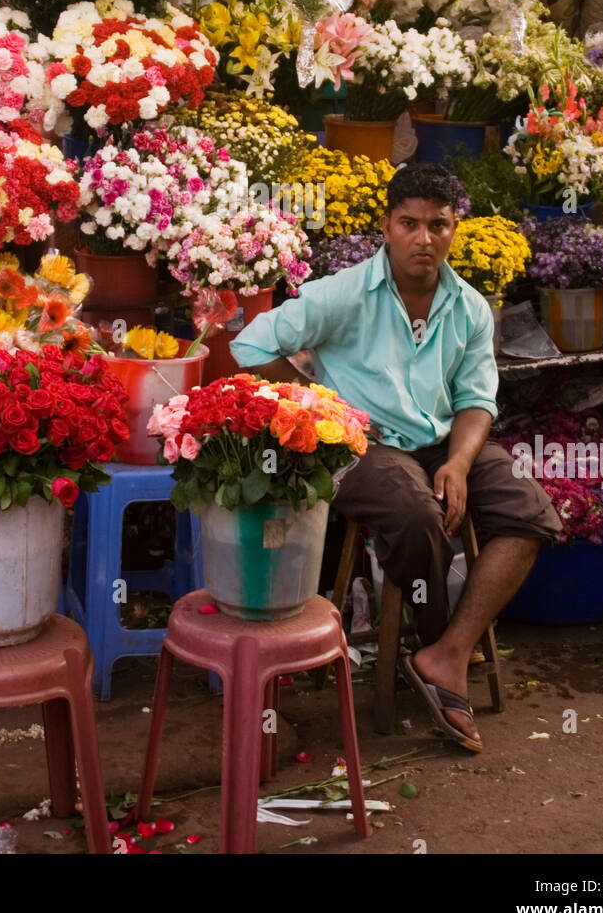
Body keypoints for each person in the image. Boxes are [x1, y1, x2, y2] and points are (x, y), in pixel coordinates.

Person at [230, 162, 562, 753]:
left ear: (454, 229)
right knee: (415, 515)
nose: (424, 238)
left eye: (438, 225)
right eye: (409, 223)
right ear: (386, 227)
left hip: (440, 440)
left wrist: (459, 463)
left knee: (531, 511)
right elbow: (249, 344)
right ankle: (434, 648)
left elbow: (477, 400)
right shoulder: (345, 293)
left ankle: (444, 656)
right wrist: (324, 406)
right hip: (364, 446)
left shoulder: (469, 308)